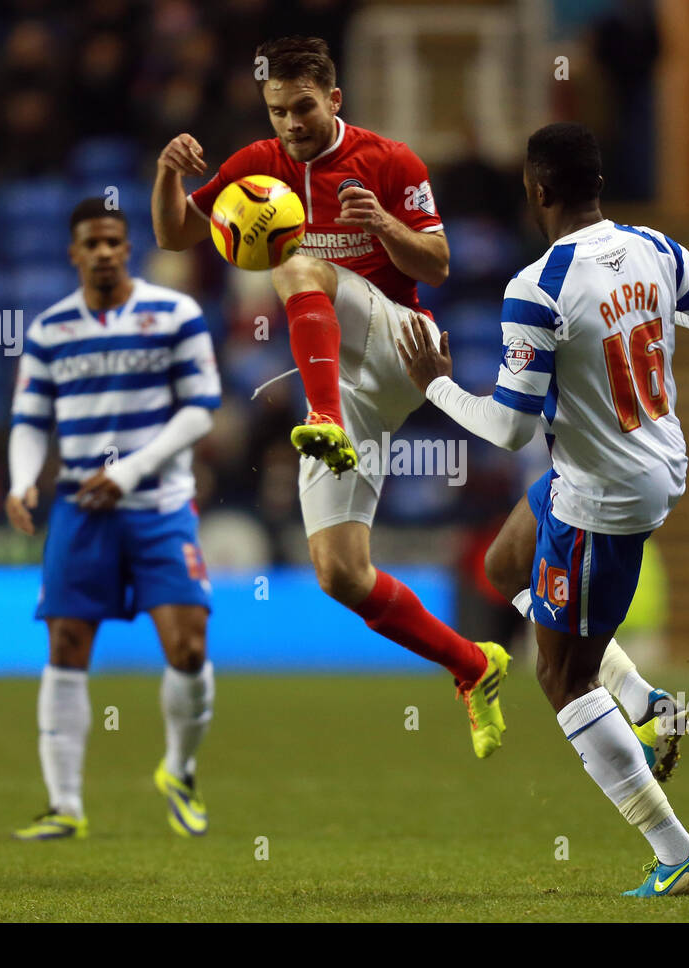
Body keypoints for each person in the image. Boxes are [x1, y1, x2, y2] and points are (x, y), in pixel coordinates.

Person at [400, 123, 689, 895]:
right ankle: (646, 701)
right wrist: (657, 319)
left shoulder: (538, 286)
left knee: (563, 678)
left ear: (538, 190)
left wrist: (433, 382)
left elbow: (509, 426)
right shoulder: (657, 250)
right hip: (633, 468)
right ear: (597, 182)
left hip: (603, 497)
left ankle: (678, 854)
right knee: (504, 564)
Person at [152, 36, 509, 757]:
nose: (290, 124)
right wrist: (166, 174)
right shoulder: (257, 168)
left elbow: (437, 263)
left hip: (403, 346)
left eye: (303, 107)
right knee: (340, 572)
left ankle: (320, 416)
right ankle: (474, 665)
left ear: (334, 100)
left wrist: (382, 222)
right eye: (277, 110)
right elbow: (174, 230)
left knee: (296, 267)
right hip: (347, 385)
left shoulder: (390, 161)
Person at [5, 198, 220, 840]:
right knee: (67, 645)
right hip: (80, 509)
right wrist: (21, 481)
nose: (102, 252)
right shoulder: (49, 331)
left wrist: (129, 469)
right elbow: (28, 420)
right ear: (73, 253)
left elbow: (201, 409)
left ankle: (178, 770)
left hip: (158, 505)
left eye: (112, 242)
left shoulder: (174, 314)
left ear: (128, 248)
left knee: (188, 647)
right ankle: (64, 803)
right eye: (90, 244)